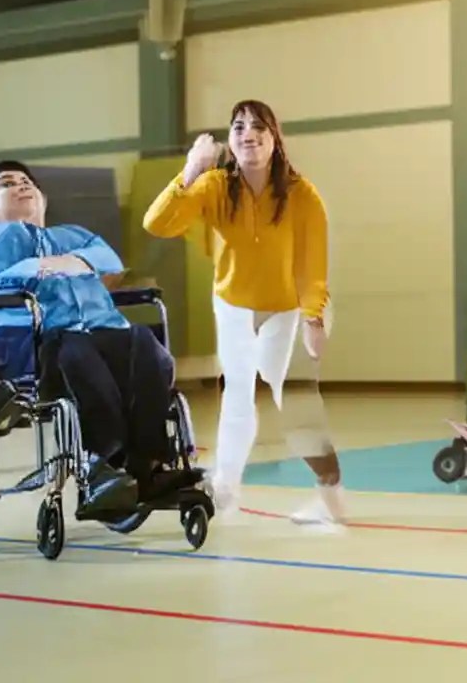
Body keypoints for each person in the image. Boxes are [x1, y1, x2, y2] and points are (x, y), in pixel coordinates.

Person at [142, 99, 340, 525]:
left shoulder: (301, 194)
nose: (248, 134)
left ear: (274, 139)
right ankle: (225, 487)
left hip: (287, 308)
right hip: (232, 303)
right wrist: (191, 169)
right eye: (238, 127)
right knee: (236, 395)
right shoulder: (214, 185)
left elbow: (313, 265)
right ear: (230, 142)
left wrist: (313, 317)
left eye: (258, 127)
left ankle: (330, 495)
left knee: (294, 399)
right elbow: (157, 223)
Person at [0, 161, 184, 515]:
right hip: (43, 345)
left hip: (103, 332)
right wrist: (57, 264)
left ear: (44, 199)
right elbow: (1, 278)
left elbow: (108, 259)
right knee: (77, 350)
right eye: (7, 184)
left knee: (144, 343)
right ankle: (102, 462)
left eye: (27, 181)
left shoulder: (72, 234)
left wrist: (64, 260)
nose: (21, 186)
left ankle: (150, 464)